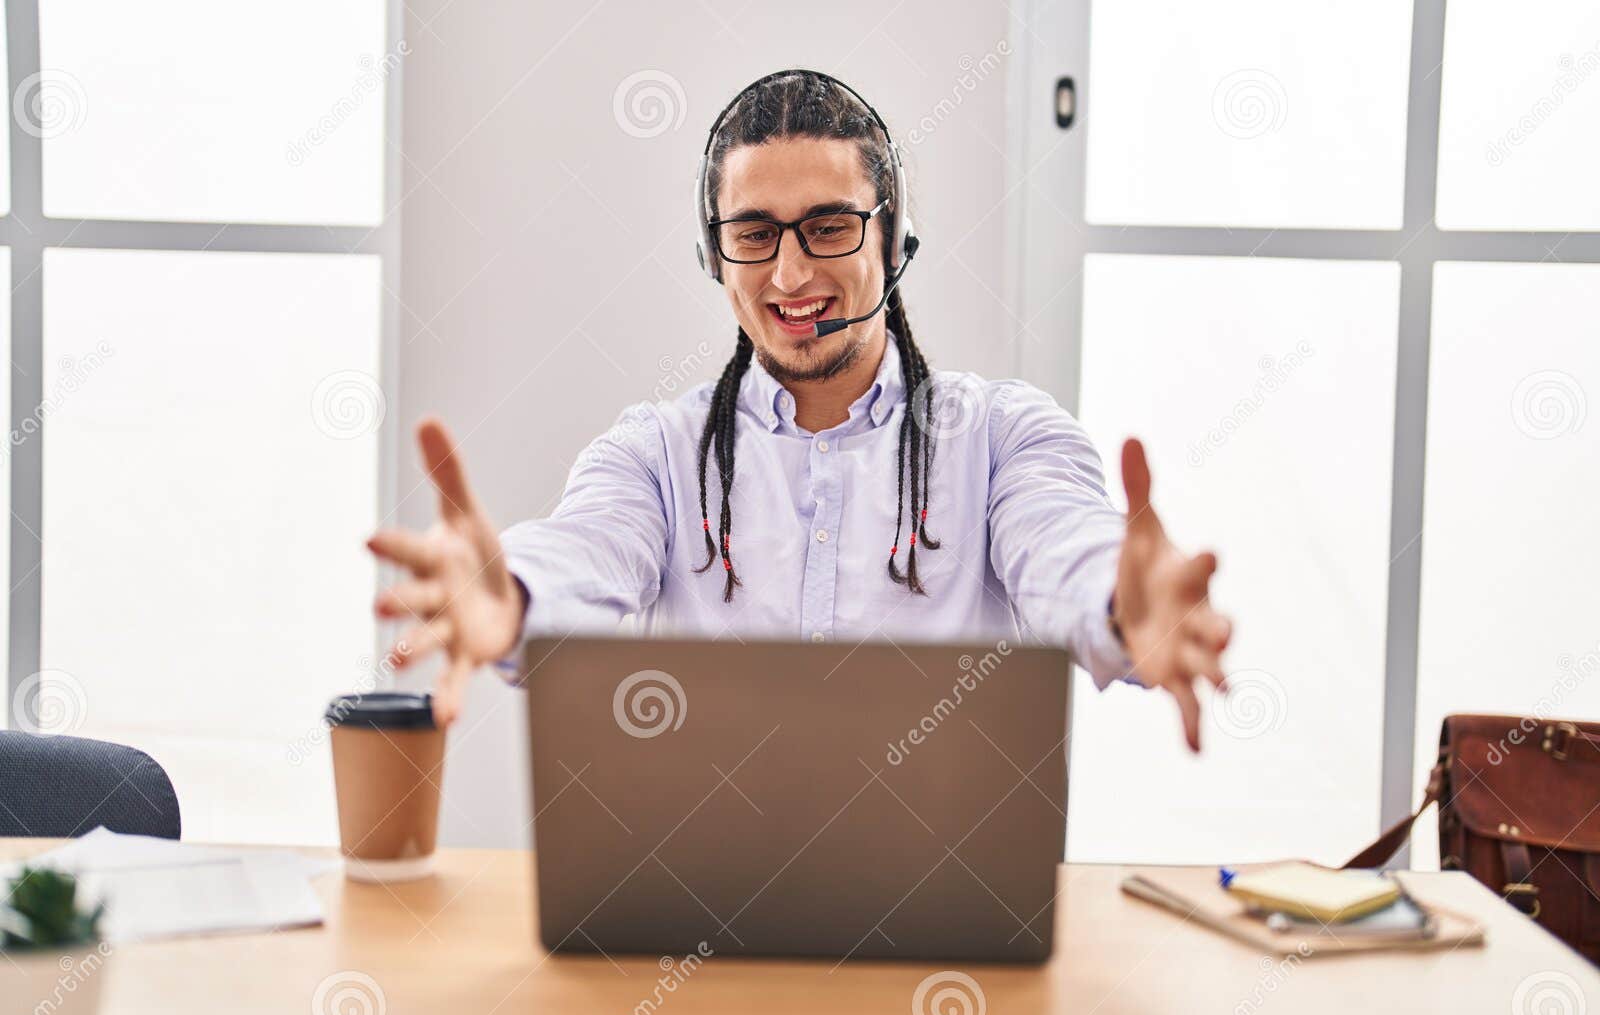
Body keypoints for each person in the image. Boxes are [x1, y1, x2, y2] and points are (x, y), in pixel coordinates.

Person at [366, 70, 1231, 748]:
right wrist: (507, 597)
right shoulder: (656, 456)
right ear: (716, 256)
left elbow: (1063, 546)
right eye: (753, 234)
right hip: (701, 920)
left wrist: (1122, 607)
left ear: (895, 243)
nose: (788, 276)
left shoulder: (1002, 439)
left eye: (828, 226)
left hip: (940, 923)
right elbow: (578, 552)